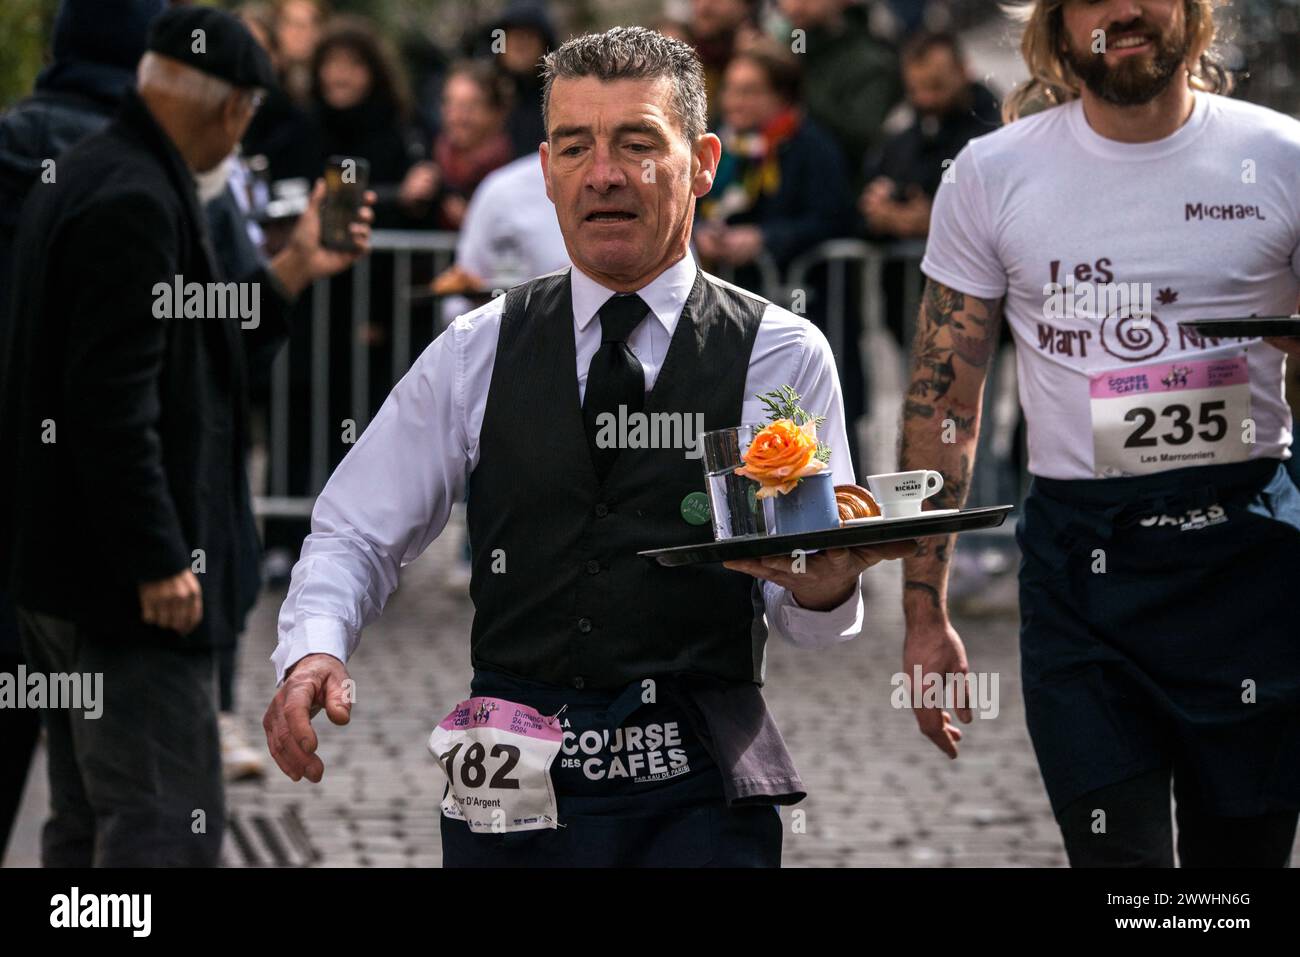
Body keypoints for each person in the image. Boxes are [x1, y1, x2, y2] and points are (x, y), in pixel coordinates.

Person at [263, 26, 914, 868]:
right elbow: (356, 526)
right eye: (576, 146)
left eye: (638, 143)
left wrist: (824, 592)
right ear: (545, 170)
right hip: (508, 778)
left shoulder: (780, 354)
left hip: (696, 781)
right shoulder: (479, 347)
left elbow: (809, 622)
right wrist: (314, 645)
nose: (603, 173)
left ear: (705, 161)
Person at [899, 0, 1300, 867]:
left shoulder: (1281, 158)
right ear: (1055, 21)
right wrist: (924, 607)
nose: (1122, 9)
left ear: (1194, 12)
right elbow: (945, 400)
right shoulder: (990, 174)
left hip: (1252, 570)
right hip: (1085, 581)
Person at [1, 6, 373, 866]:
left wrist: (293, 266)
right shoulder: (135, 195)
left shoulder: (108, 172)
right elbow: (110, 406)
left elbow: (195, 346)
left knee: (89, 819)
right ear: (232, 108)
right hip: (124, 594)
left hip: (68, 580)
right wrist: (157, 557)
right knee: (159, 823)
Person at [0, 0, 167, 853]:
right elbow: (120, 395)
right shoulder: (135, 173)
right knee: (115, 796)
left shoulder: (15, 143)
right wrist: (161, 556)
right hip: (85, 539)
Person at [776, 0, 902, 183]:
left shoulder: (870, 61)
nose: (794, 5)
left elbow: (861, 137)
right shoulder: (789, 46)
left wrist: (799, 90)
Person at [399, 61, 515, 230]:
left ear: (498, 112)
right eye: (450, 104)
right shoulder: (423, 155)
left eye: (472, 106)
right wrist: (407, 199)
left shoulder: (513, 167)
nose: (458, 117)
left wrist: (476, 225)